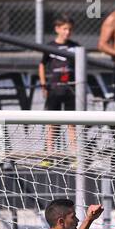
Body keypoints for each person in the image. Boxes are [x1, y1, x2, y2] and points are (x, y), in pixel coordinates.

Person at [39, 15, 79, 154]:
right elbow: (42, 65)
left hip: (70, 89)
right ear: (57, 29)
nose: (67, 32)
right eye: (64, 29)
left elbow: (81, 66)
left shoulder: (75, 47)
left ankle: (74, 155)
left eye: (70, 29)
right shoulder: (50, 47)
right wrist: (43, 84)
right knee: (52, 122)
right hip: (54, 89)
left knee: (71, 123)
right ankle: (49, 154)